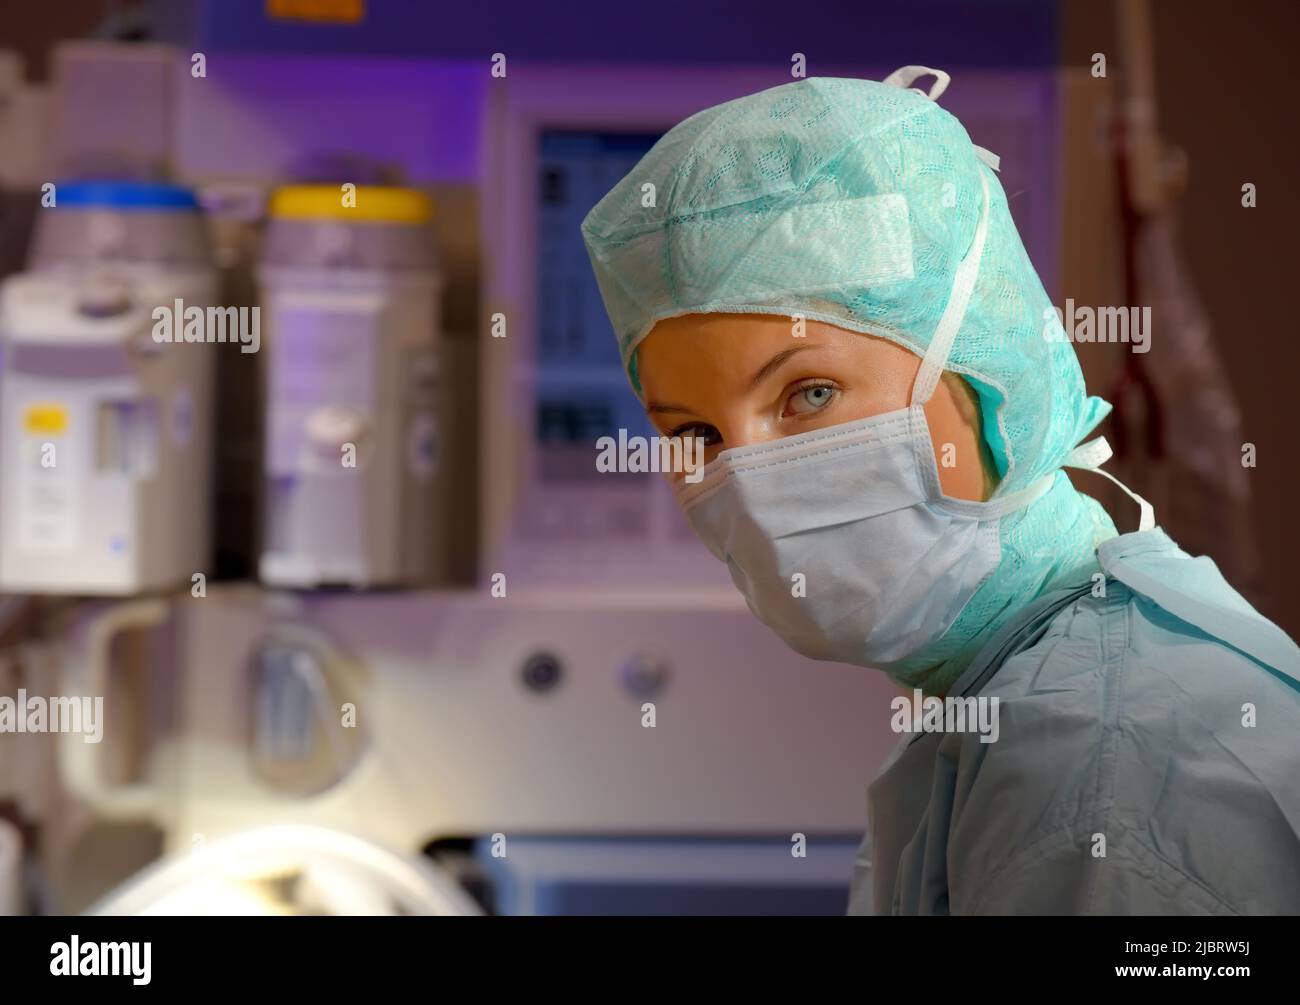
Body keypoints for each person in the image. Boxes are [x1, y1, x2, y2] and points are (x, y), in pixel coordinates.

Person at [580, 67, 1300, 915]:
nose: (750, 478)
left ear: (989, 383)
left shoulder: (1098, 772)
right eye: (696, 435)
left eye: (808, 394)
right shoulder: (1044, 676)